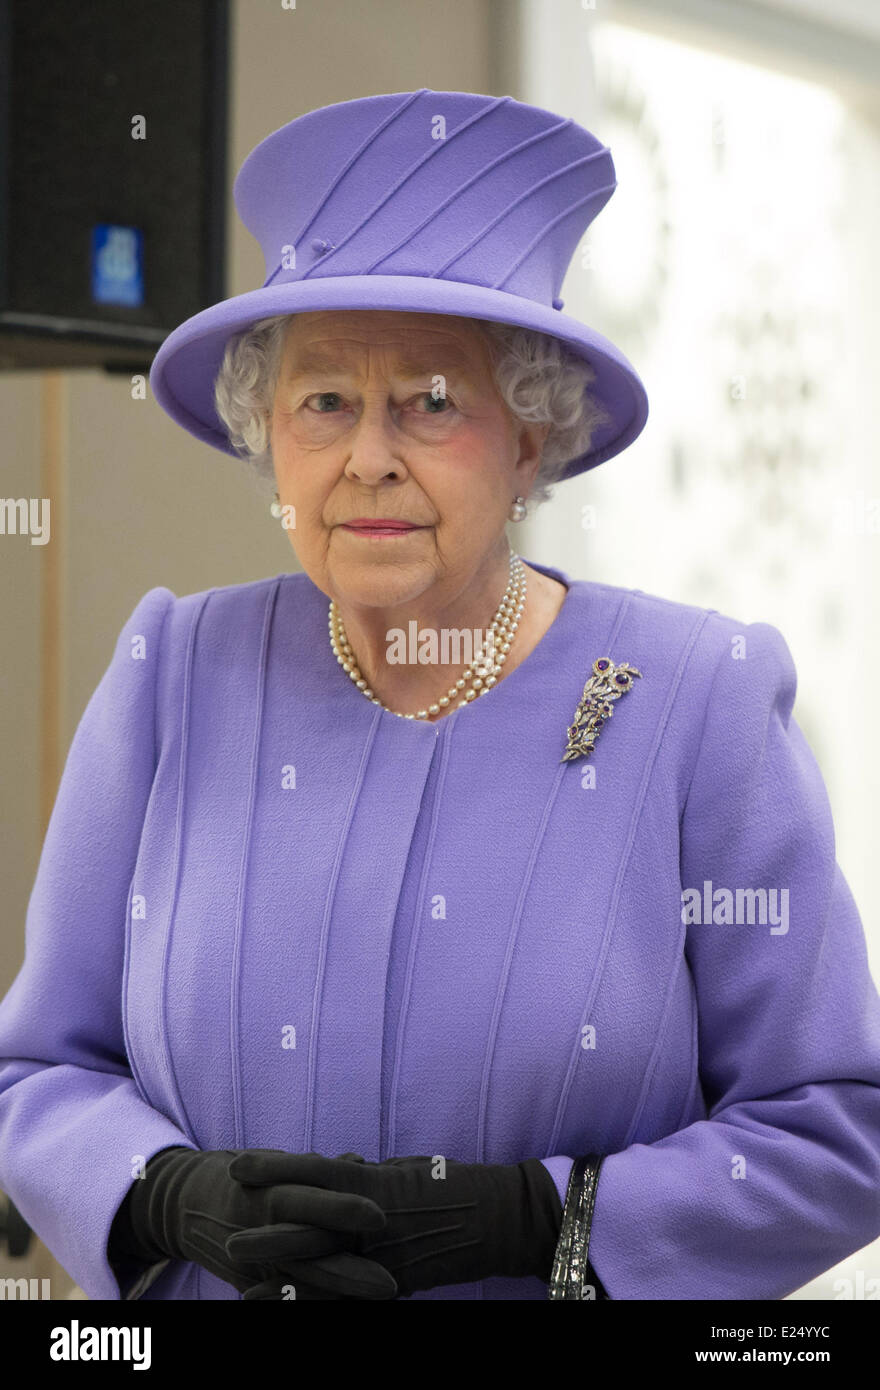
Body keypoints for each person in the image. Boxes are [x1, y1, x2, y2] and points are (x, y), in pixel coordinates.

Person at [1, 88, 878, 1302]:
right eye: (324, 402)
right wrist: (156, 1193)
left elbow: (835, 1126)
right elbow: (36, 1072)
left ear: (530, 440)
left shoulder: (694, 702)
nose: (368, 456)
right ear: (272, 438)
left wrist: (549, 1220)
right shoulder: (172, 674)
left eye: (429, 401)